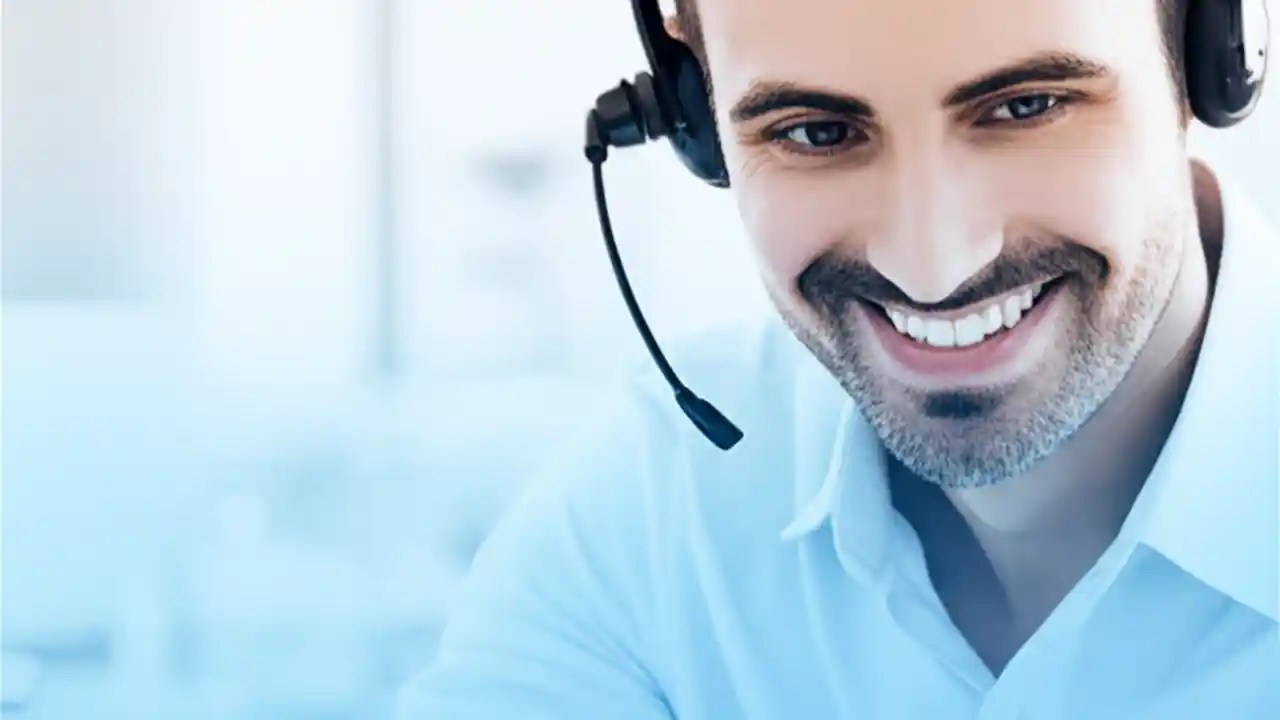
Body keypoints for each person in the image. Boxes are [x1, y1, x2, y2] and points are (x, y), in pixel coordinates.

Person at [401, 0, 1278, 716]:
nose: (932, 266)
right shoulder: (649, 520)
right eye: (818, 133)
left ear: (1208, 56)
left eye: (1026, 106)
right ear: (694, 121)